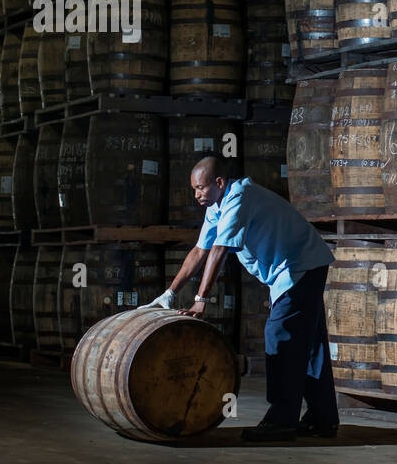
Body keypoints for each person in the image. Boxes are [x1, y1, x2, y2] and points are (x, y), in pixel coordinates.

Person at [138, 155, 338, 442]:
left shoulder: (239, 198)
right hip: (299, 265)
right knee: (310, 344)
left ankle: (281, 420)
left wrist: (201, 300)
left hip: (299, 265)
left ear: (219, 183)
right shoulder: (216, 204)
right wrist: (168, 294)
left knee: (280, 337)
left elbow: (219, 251)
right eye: (194, 189)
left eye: (200, 188)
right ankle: (323, 418)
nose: (196, 195)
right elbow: (199, 251)